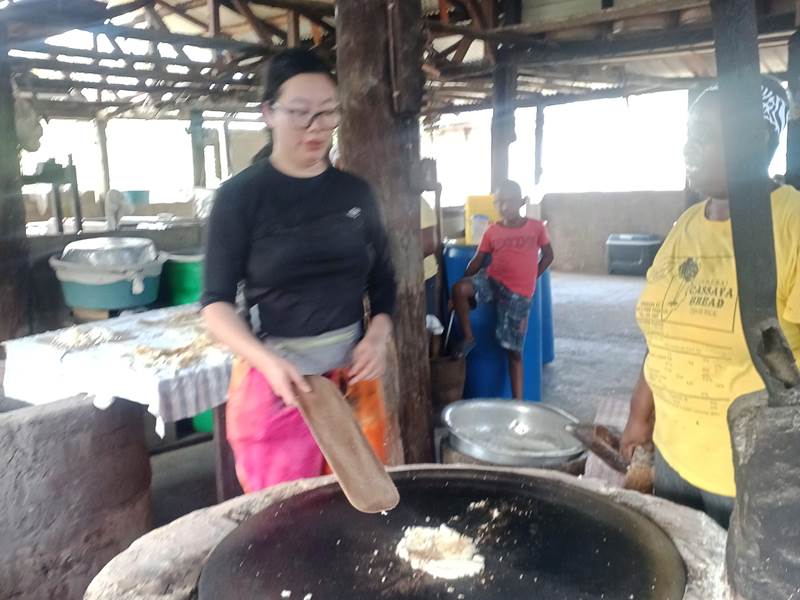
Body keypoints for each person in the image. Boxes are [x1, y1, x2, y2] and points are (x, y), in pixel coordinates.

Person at [201, 48, 396, 492]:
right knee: (285, 523)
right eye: (301, 114)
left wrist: (379, 336)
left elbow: (383, 282)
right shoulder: (241, 197)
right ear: (268, 112)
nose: (317, 128)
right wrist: (268, 363)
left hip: (352, 384)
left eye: (328, 114)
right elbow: (214, 304)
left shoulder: (356, 193)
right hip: (277, 388)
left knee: (358, 509)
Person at [620, 77, 800, 528]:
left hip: (749, 477)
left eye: (703, 134)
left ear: (757, 140)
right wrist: (639, 416)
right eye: (688, 133)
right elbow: (660, 336)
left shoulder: (791, 226)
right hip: (675, 460)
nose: (688, 147)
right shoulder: (685, 225)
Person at [451, 180, 554, 399]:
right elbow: (478, 261)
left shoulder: (536, 228)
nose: (503, 206)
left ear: (521, 201)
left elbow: (548, 255)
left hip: (518, 295)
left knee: (513, 351)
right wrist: (463, 283)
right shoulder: (492, 231)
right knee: (460, 289)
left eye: (508, 201)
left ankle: (518, 402)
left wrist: (532, 275)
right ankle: (469, 338)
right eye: (498, 202)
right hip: (493, 282)